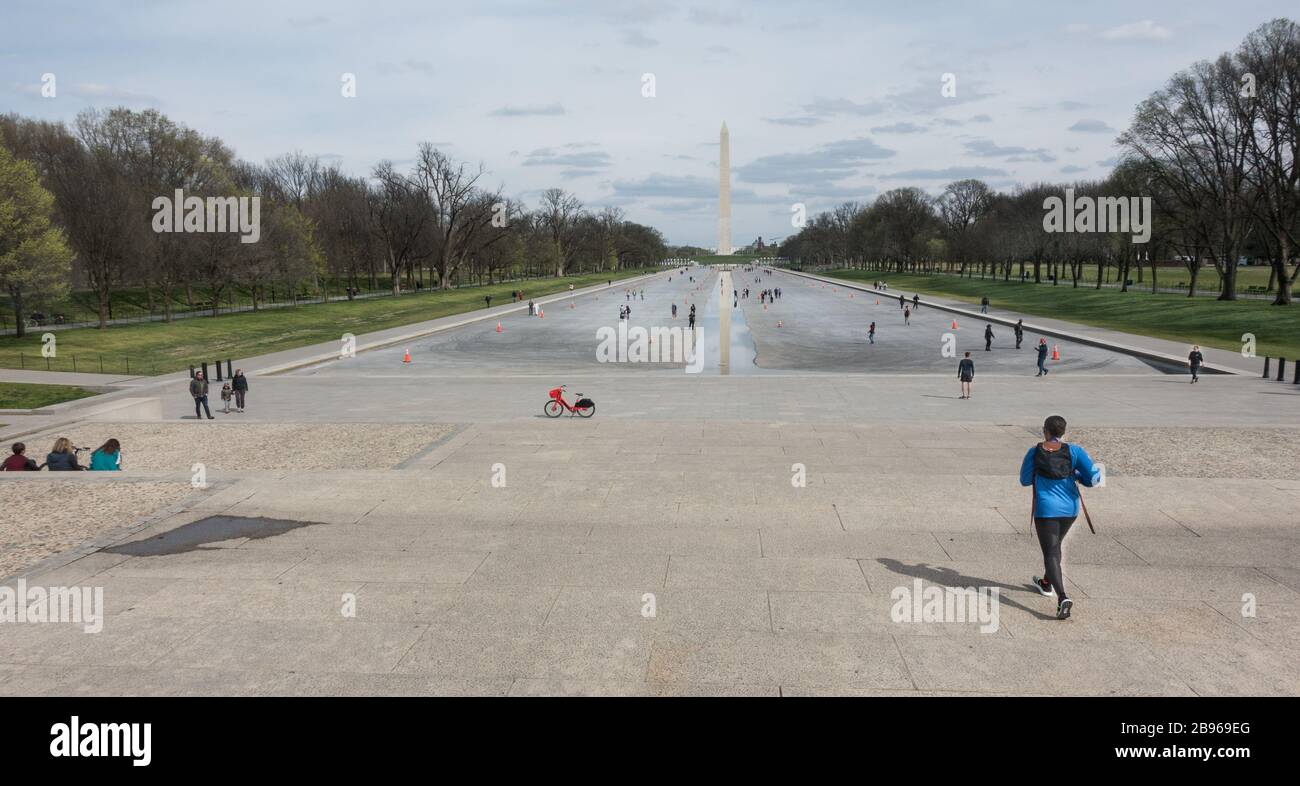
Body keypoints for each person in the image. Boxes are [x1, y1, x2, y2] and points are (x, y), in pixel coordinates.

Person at [1020, 415, 1099, 620]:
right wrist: (1078, 476)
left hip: (1046, 509)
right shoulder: (1075, 451)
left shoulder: (1034, 451)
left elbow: (1025, 480)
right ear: (1063, 432)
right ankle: (1046, 583)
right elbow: (1093, 478)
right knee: (1055, 546)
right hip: (1070, 509)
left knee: (1051, 551)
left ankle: (1062, 597)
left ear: (1044, 430)